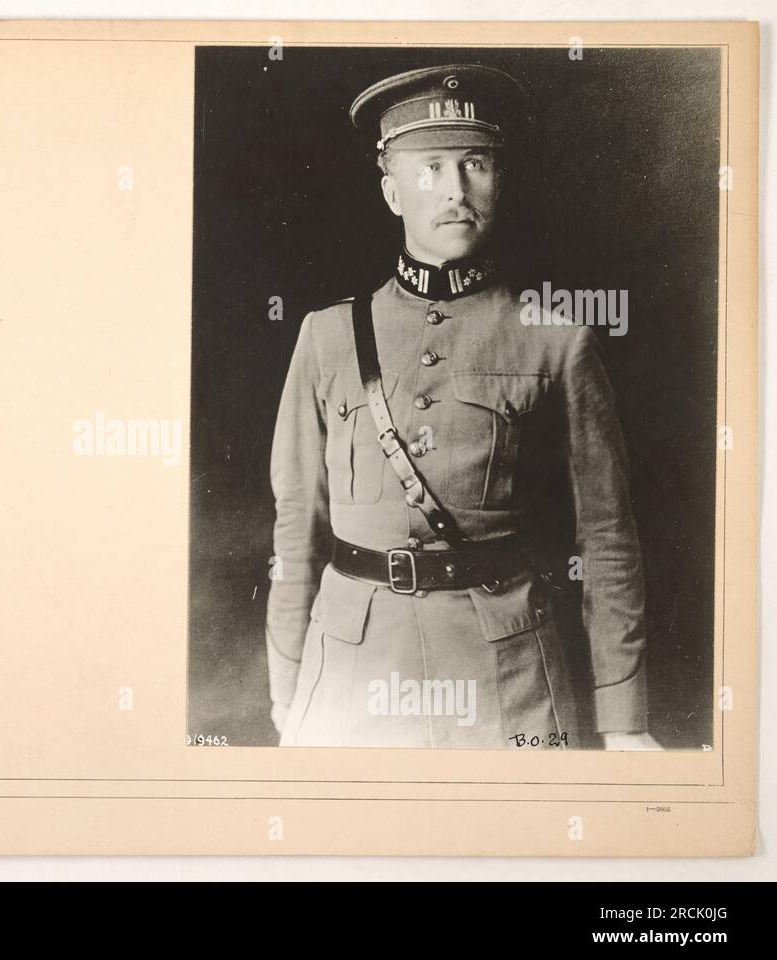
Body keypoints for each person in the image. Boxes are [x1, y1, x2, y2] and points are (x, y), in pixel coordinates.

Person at [265, 63, 660, 750]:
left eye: (474, 163)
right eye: (431, 167)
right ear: (393, 191)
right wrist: (287, 684)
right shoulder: (326, 337)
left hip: (506, 679)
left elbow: (607, 538)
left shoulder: (557, 340)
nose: (454, 189)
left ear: (497, 181)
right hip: (352, 674)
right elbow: (297, 523)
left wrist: (624, 720)